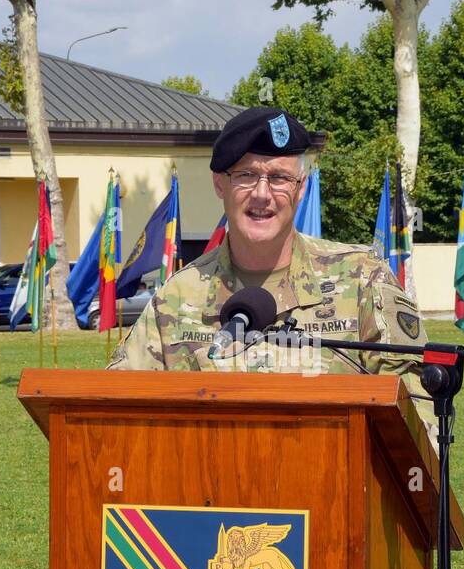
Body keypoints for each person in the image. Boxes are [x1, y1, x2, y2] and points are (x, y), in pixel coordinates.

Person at [106, 106, 435, 430]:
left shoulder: (362, 279)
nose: (262, 194)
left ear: (300, 188)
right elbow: (115, 409)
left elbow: (418, 407)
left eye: (279, 177)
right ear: (221, 185)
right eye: (246, 175)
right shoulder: (176, 299)